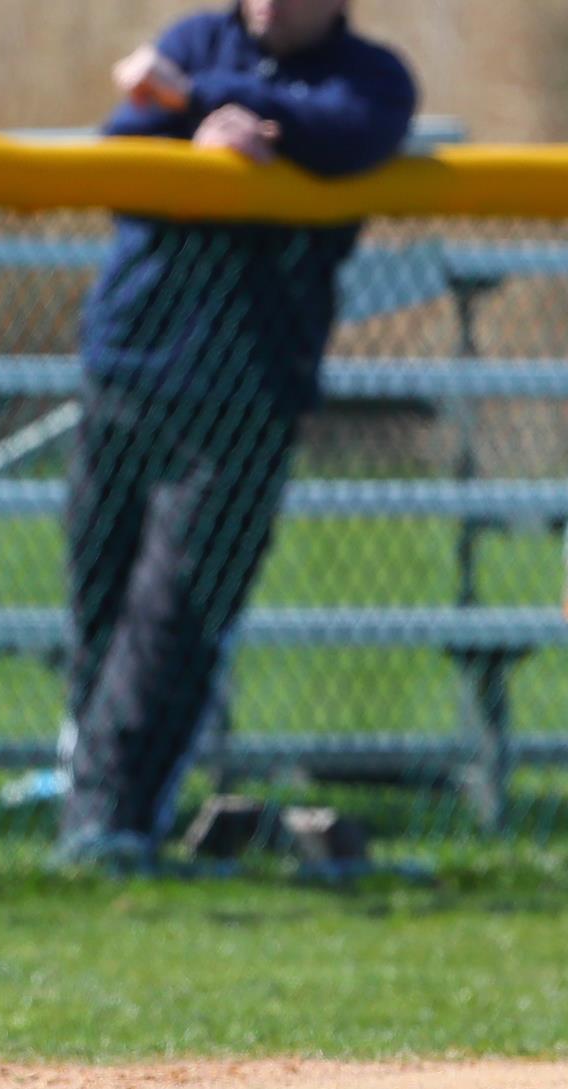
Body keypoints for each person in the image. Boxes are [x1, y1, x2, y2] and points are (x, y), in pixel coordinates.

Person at [57, 0, 417, 868]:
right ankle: (99, 805)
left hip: (246, 396)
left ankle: (110, 825)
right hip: (129, 367)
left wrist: (215, 107)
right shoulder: (196, 38)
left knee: (174, 615)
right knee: (97, 598)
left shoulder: (368, 74)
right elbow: (120, 146)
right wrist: (201, 131)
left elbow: (349, 133)